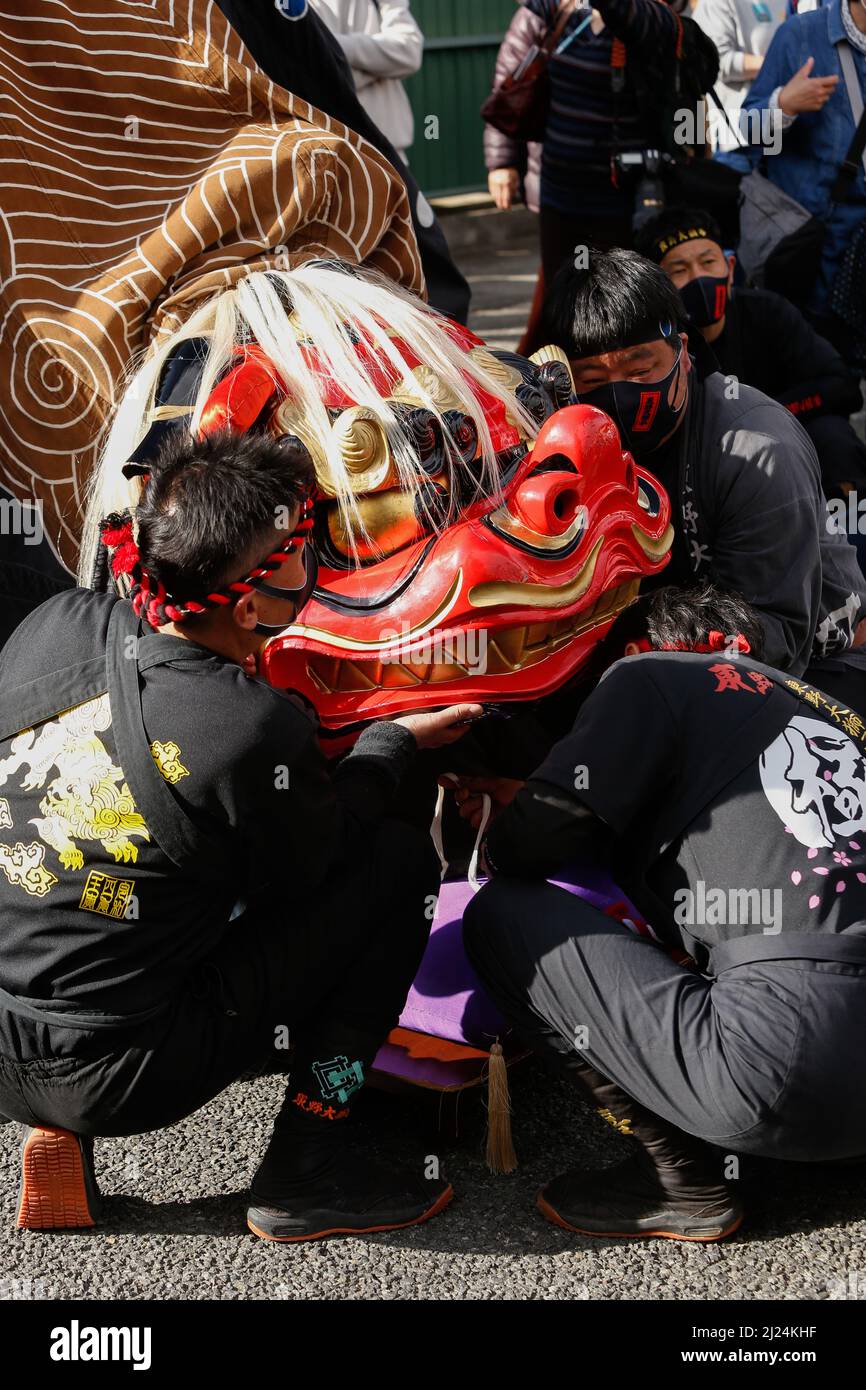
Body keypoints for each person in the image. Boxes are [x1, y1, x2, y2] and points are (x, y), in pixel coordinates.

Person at [0, 429, 481, 1241]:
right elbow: (317, 867)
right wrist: (389, 747)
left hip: (7, 1044)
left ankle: (58, 1128)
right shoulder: (246, 729)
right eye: (297, 557)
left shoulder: (53, 621)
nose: (311, 568)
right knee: (394, 868)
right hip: (125, 1070)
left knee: (99, 886)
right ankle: (308, 1163)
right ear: (251, 604)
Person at [462, 583, 866, 1241]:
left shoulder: (649, 673)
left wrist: (527, 804)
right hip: (832, 1071)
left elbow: (529, 845)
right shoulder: (834, 711)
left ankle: (681, 1178)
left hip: (792, 1067)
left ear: (633, 646)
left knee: (503, 917)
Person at [539, 244, 866, 672]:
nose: (620, 395)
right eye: (593, 379)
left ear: (683, 354)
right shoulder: (555, 440)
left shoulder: (757, 450)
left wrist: (633, 642)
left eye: (641, 372)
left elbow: (777, 634)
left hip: (815, 659)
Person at [634, 205, 866, 518]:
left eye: (707, 262)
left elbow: (843, 387)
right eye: (679, 270)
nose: (699, 278)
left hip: (786, 440)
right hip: (703, 461)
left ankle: (849, 536)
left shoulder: (767, 311)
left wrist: (768, 415)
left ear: (729, 269)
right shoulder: (656, 347)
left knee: (834, 436)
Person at [737, 0, 866, 350]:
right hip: (811, 252)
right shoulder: (800, 36)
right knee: (812, 366)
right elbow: (749, 130)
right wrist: (783, 105)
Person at [307, 0, 423, 163]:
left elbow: (410, 52)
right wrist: (383, 65)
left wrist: (338, 47)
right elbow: (319, 74)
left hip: (390, 155)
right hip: (331, 154)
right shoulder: (298, 6)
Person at [694, 0, 789, 151]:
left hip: (782, 132)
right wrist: (778, 67)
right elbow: (718, 61)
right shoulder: (715, 3)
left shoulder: (786, 3)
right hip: (737, 139)